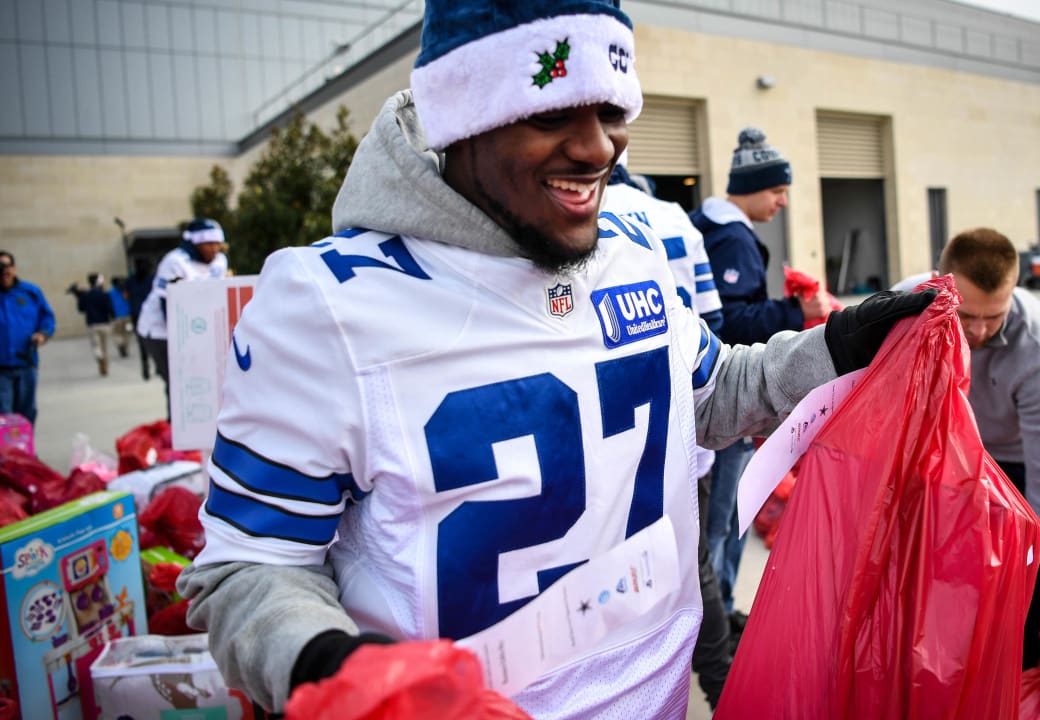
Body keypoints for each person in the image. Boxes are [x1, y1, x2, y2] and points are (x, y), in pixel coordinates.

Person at [177, 1, 935, 715]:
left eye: (611, 111)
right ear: (460, 116)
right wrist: (334, 664)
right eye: (551, 113)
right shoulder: (326, 304)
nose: (598, 147)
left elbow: (708, 394)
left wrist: (836, 346)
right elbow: (249, 568)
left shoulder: (631, 254)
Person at [893, 228, 1040, 669]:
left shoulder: (1037, 344)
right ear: (939, 283)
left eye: (994, 317)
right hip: (934, 454)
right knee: (919, 584)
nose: (978, 331)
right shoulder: (901, 307)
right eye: (965, 315)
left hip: (1009, 463)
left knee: (1021, 592)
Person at [689, 127, 831, 634]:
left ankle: (717, 614)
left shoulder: (705, 226)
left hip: (703, 389)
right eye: (777, 191)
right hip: (722, 392)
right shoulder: (730, 238)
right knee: (725, 519)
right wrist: (796, 311)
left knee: (718, 518)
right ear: (749, 188)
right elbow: (730, 321)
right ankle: (719, 622)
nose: (783, 202)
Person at [604, 158, 731, 708]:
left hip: (606, 446)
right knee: (694, 567)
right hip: (681, 432)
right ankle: (721, 683)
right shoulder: (673, 217)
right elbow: (713, 324)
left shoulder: (553, 220)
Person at [135, 220, 229, 413]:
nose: (215, 248)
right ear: (195, 243)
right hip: (160, 331)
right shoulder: (175, 262)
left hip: (195, 327)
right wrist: (184, 342)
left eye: (217, 243)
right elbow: (167, 304)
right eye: (209, 244)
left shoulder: (220, 261)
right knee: (177, 382)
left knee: (202, 379)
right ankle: (176, 425)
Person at [0, 251, 55, 425]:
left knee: (26, 413)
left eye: (7, 266)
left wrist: (43, 334)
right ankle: (8, 444)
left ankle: (25, 443)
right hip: (1, 368)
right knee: (4, 414)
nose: (4, 271)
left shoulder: (30, 292)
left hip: (26, 363)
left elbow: (47, 317)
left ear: (14, 268)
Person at [69, 272, 115, 376]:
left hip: (92, 324)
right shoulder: (105, 294)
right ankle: (105, 367)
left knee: (96, 346)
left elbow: (81, 309)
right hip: (105, 323)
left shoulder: (85, 295)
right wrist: (113, 317)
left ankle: (100, 358)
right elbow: (110, 309)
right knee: (104, 347)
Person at [125, 258, 155, 379]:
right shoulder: (152, 279)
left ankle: (145, 366)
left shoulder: (130, 280)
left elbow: (126, 295)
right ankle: (157, 365)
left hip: (136, 313)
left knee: (142, 342)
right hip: (151, 313)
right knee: (156, 340)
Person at [108, 277, 132, 359]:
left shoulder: (110, 293)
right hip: (127, 316)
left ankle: (120, 344)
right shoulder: (125, 291)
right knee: (127, 333)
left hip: (116, 317)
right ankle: (126, 348)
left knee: (116, 333)